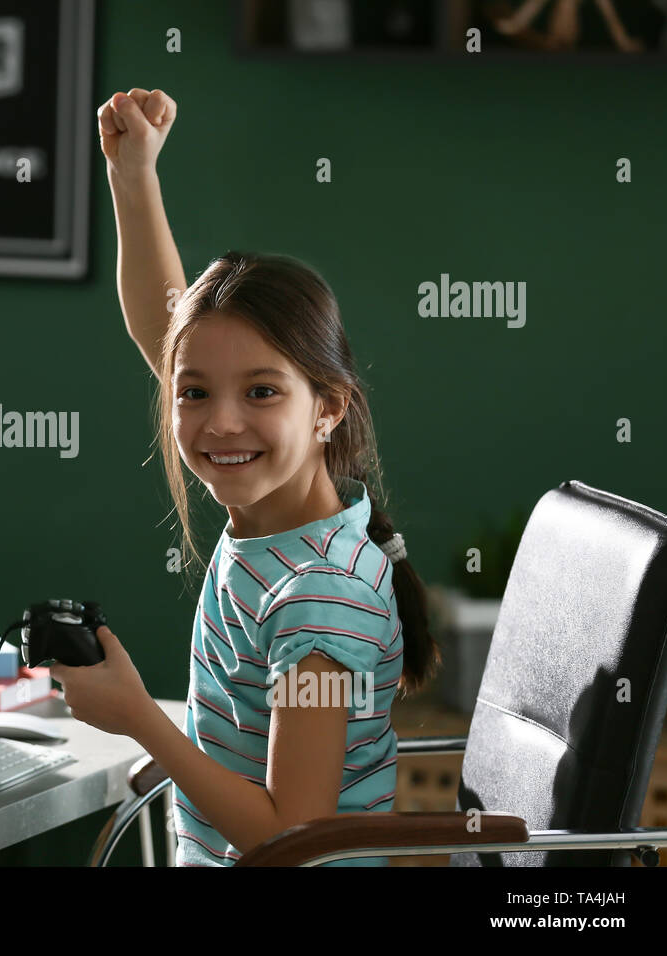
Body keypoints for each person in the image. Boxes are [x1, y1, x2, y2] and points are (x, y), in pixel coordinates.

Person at [48, 88, 440, 867]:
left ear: (327, 409)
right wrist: (134, 175)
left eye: (262, 391)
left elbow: (292, 839)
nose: (220, 422)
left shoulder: (321, 597)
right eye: (193, 393)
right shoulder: (294, 518)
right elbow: (164, 328)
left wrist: (143, 721)